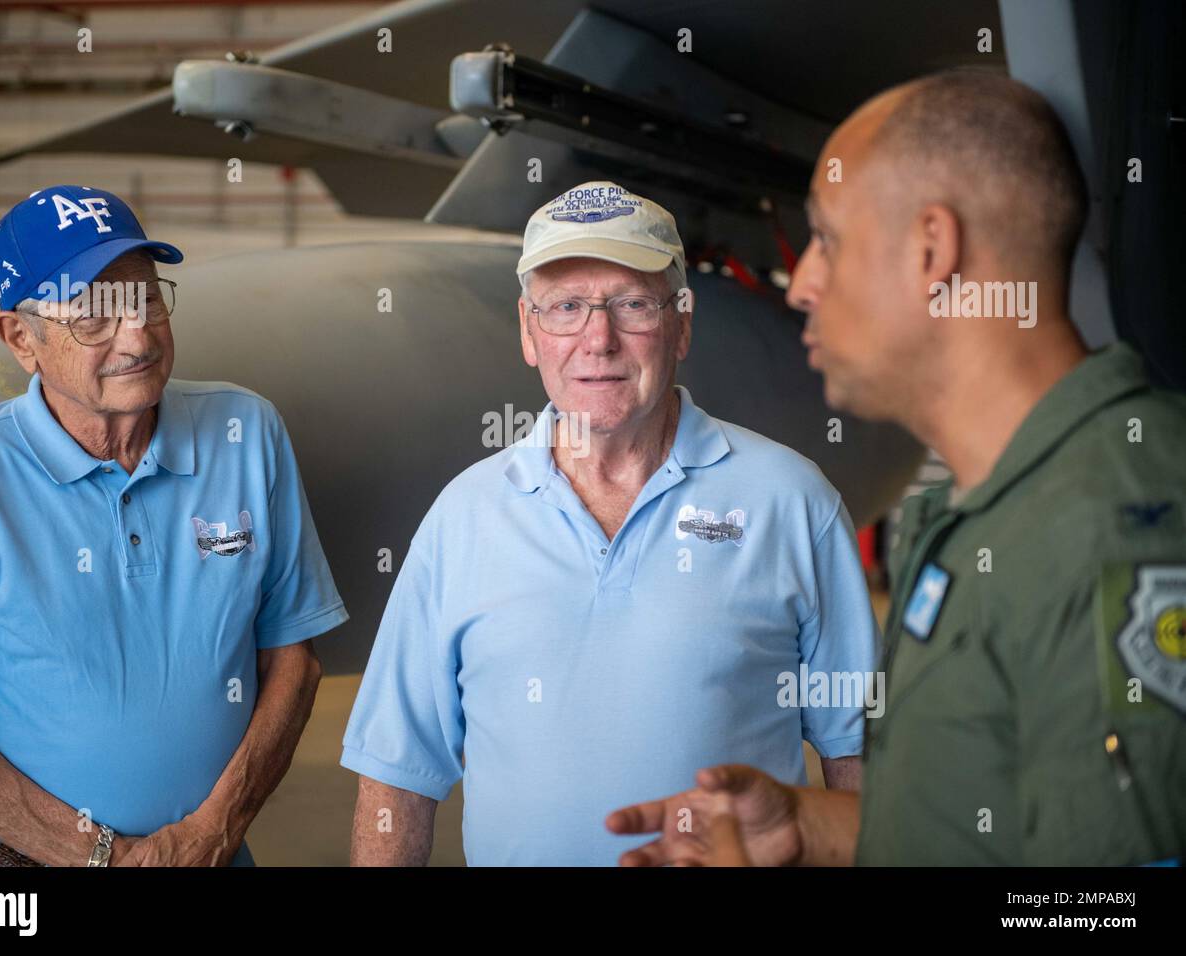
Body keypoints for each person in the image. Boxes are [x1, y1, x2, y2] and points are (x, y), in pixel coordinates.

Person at [606, 72, 1186, 866]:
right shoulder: (987, 511)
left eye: (829, 241)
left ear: (932, 250)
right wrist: (810, 828)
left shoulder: (1119, 525)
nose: (802, 283)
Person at [341, 181, 878, 865]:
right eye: (565, 308)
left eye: (631, 305)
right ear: (529, 333)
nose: (598, 340)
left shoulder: (792, 503)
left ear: (682, 322)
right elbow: (395, 775)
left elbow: (859, 757)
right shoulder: (463, 517)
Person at [0, 185, 348, 866]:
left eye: (144, 300)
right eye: (92, 317)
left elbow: (293, 662)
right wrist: (100, 857)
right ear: (22, 338)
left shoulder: (245, 433)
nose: (135, 336)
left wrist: (211, 832)